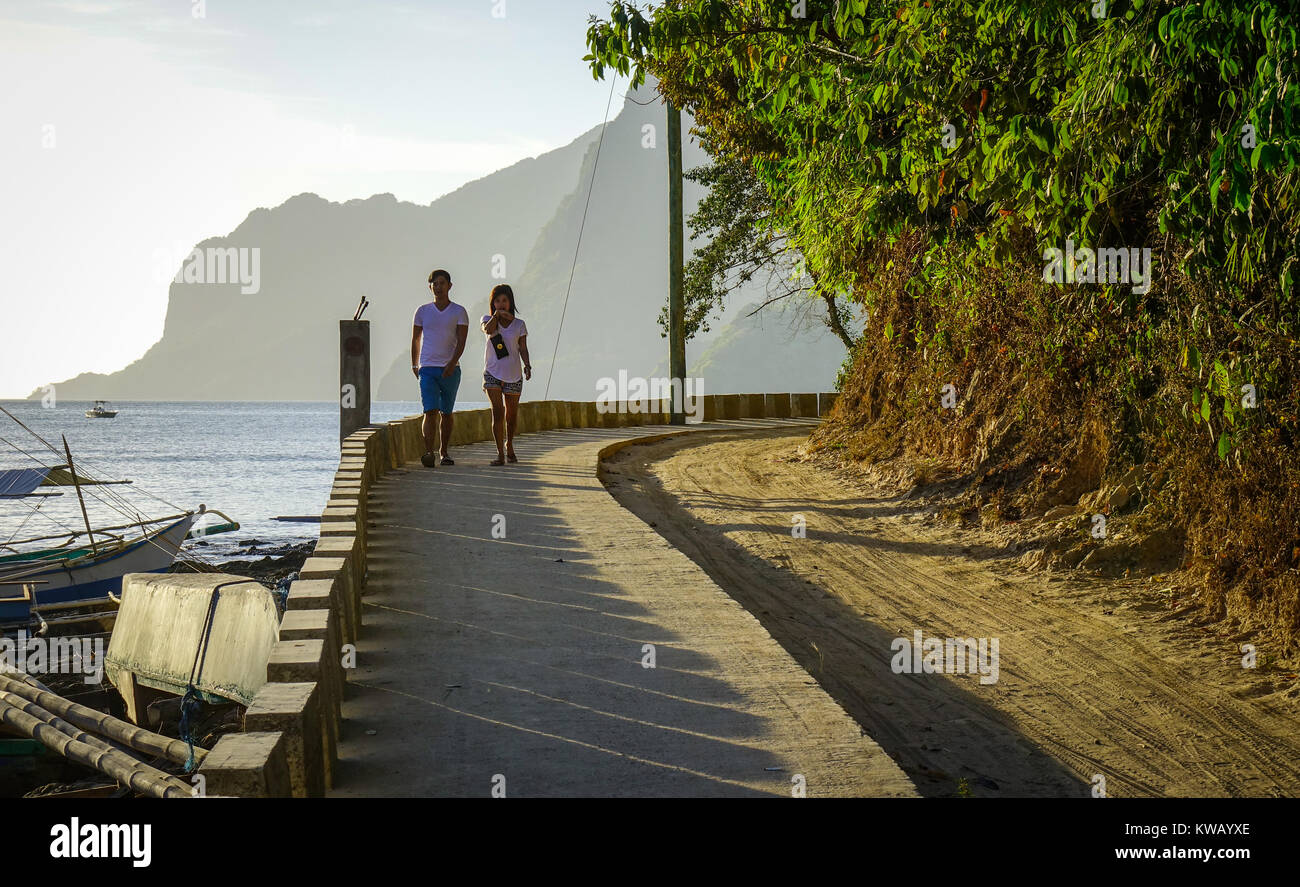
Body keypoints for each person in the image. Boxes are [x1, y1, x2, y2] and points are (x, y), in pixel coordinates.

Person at [411, 269, 469, 466]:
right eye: (435, 284)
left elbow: (461, 342)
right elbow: (416, 339)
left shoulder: (459, 311)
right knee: (430, 411)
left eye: (442, 283)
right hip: (427, 367)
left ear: (449, 286)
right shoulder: (422, 311)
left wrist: (452, 363)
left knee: (446, 412)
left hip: (451, 369)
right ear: (430, 287)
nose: (438, 287)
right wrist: (415, 363)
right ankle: (429, 452)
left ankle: (444, 451)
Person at [480, 283, 531, 465]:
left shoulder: (519, 325)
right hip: (493, 372)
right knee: (497, 412)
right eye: (497, 301)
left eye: (504, 300)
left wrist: (528, 365)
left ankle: (509, 444)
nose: (501, 304)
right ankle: (500, 453)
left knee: (511, 415)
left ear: (510, 302)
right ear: (493, 303)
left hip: (514, 373)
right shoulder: (487, 318)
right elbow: (488, 330)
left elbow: (523, 348)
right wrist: (496, 315)